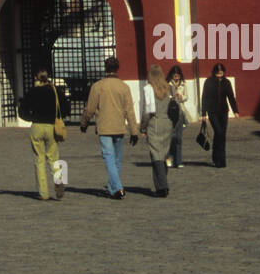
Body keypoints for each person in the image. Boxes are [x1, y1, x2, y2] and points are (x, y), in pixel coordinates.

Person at [79, 57, 139, 199]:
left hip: (104, 127)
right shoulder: (124, 87)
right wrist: (134, 131)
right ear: (118, 68)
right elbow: (129, 110)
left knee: (108, 157)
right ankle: (113, 189)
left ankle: (117, 187)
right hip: (119, 127)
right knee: (117, 159)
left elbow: (90, 108)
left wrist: (84, 123)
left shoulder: (98, 86)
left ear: (105, 68)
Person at [18, 69, 65, 201]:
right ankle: (59, 179)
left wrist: (31, 117)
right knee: (54, 157)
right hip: (51, 126)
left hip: (37, 126)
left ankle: (43, 193)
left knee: (39, 160)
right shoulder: (55, 90)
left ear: (36, 78)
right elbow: (66, 107)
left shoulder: (32, 92)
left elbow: (22, 111)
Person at [140, 64, 172, 196]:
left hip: (155, 123)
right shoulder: (169, 88)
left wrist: (143, 127)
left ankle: (162, 187)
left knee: (156, 155)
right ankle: (162, 181)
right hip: (167, 122)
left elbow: (148, 111)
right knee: (163, 153)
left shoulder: (149, 89)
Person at [201, 64, 239, 167]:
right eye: (217, 73)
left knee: (222, 135)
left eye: (221, 72)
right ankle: (217, 157)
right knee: (219, 132)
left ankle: (220, 160)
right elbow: (205, 97)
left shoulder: (226, 82)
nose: (219, 75)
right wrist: (203, 113)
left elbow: (231, 97)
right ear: (214, 72)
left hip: (223, 112)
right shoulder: (208, 82)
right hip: (212, 112)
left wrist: (235, 111)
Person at [166, 65, 190, 168]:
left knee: (179, 137)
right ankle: (169, 157)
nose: (176, 78)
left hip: (180, 112)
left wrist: (181, 97)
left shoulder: (184, 84)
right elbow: (165, 98)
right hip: (170, 113)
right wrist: (171, 97)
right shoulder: (167, 84)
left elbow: (186, 97)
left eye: (178, 76)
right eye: (175, 76)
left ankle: (179, 161)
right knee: (171, 137)